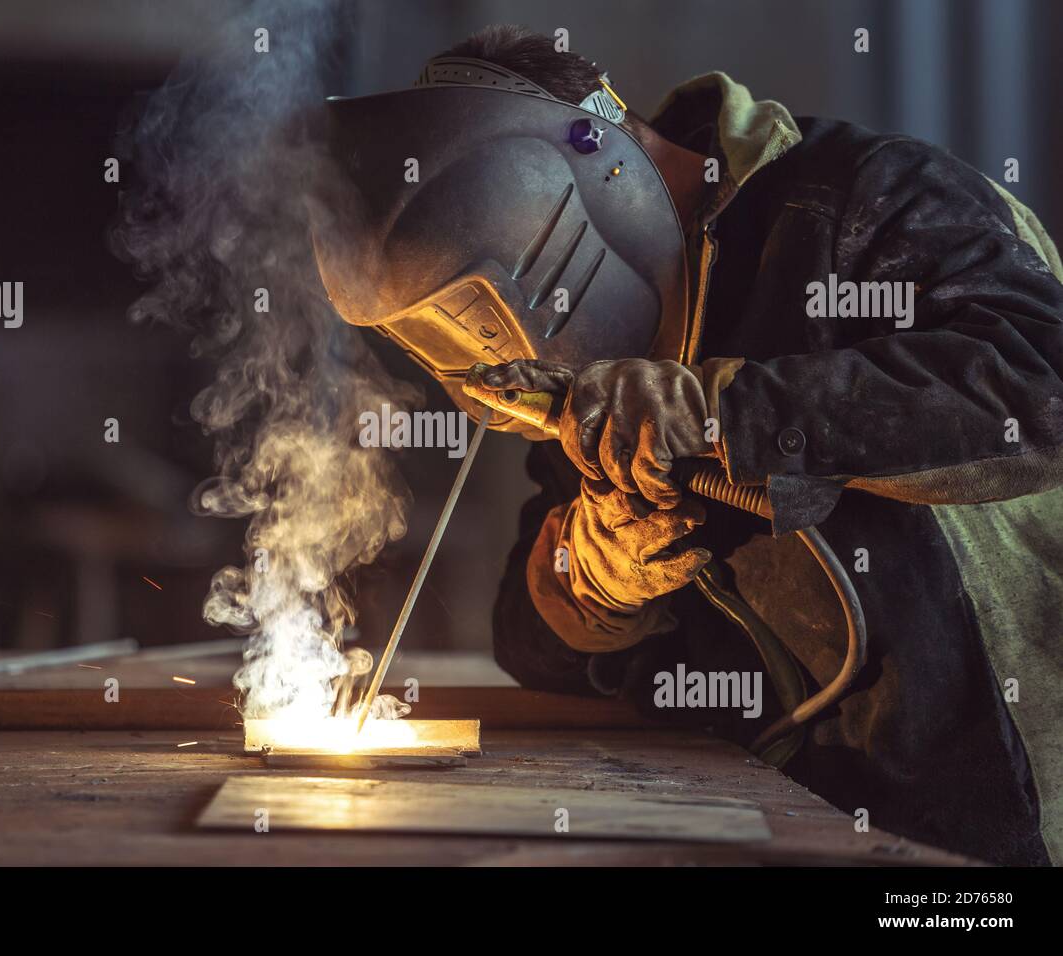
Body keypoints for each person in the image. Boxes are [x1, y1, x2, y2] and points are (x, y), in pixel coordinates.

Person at [317, 25, 1063, 865]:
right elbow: (525, 641)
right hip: (780, 811)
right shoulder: (599, 364)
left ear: (593, 151)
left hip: (996, 812)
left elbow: (1037, 387)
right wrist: (598, 572)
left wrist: (723, 412)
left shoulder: (860, 197)